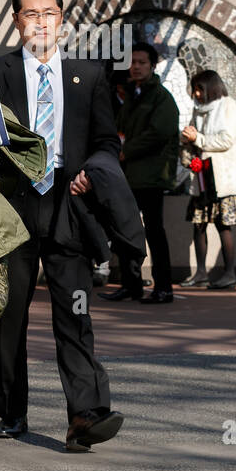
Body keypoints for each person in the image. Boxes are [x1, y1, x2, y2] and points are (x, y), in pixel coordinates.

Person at [0, 0, 125, 452]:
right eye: (31, 15)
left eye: (50, 13)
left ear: (62, 19)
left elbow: (105, 143)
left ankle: (85, 414)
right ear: (16, 21)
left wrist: (92, 174)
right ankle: (11, 412)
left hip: (68, 201)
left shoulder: (91, 75)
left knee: (75, 310)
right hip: (13, 204)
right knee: (10, 313)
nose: (41, 22)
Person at [101, 41, 180, 303]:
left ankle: (164, 287)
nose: (135, 67)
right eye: (132, 63)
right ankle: (131, 284)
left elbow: (159, 133)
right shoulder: (132, 95)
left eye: (142, 63)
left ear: (152, 65)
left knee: (154, 232)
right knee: (125, 230)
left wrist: (127, 150)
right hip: (128, 175)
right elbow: (120, 128)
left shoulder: (161, 96)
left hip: (151, 176)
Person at [180, 69, 236, 291]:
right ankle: (200, 273)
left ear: (211, 87)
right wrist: (187, 146)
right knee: (199, 224)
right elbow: (192, 139)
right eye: (195, 89)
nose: (197, 94)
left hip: (221, 177)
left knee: (223, 225)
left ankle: (229, 273)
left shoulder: (227, 105)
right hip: (201, 176)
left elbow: (226, 139)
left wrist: (198, 138)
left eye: (200, 89)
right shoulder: (198, 110)